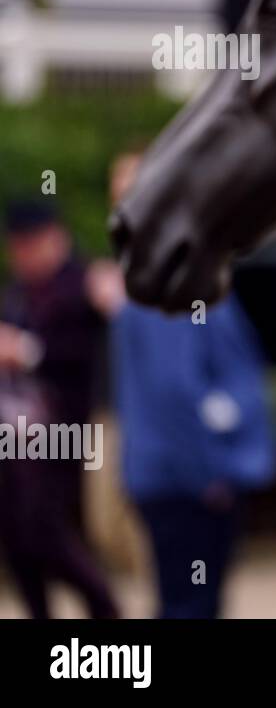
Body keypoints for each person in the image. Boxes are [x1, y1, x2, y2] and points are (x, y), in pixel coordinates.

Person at [92, 151, 276, 619]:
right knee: (191, 606)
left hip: (173, 475)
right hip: (185, 481)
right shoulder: (170, 279)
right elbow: (175, 390)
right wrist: (209, 474)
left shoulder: (154, 275)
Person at [0, 200, 118, 619]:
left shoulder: (82, 285)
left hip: (64, 429)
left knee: (45, 529)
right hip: (16, 434)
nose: (23, 255)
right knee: (15, 534)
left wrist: (24, 352)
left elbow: (81, 353)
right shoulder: (17, 294)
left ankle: (104, 607)